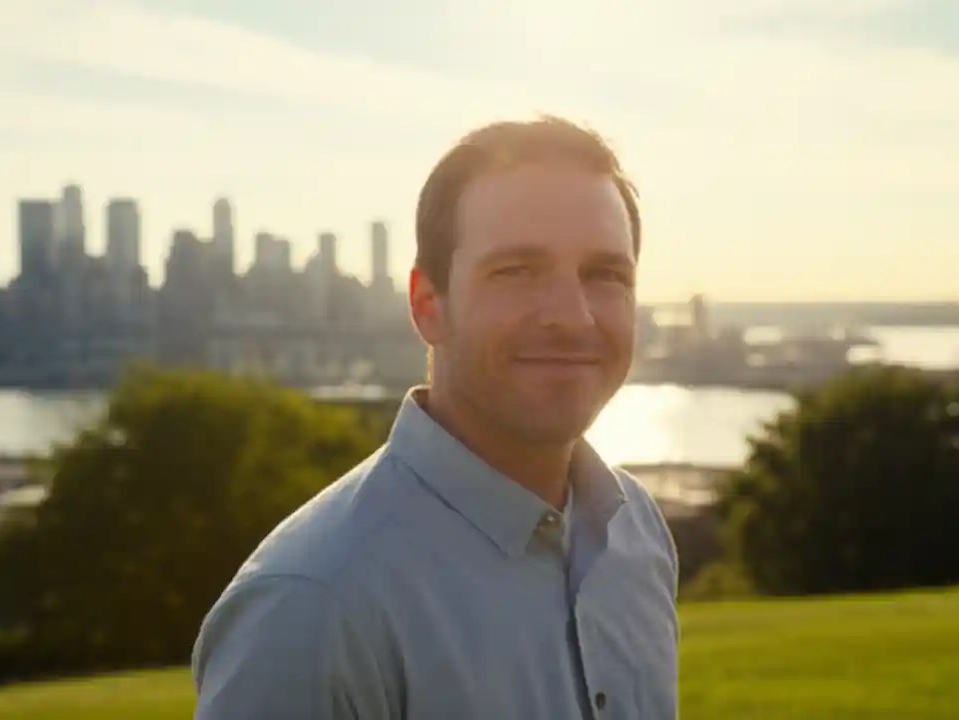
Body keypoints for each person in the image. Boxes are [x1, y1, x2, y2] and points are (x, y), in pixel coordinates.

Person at [192, 115, 679, 719]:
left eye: (605, 274)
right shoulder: (314, 606)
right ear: (427, 306)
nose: (572, 316)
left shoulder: (637, 537)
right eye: (517, 271)